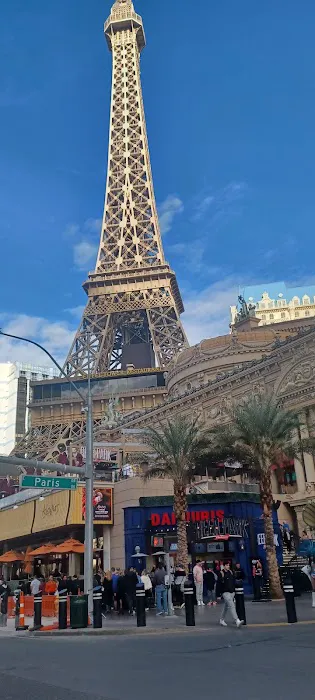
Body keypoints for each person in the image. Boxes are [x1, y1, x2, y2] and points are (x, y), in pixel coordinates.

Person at [219, 562, 244, 628]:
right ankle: (237, 620)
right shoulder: (221, 573)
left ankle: (221, 619)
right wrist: (218, 594)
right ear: (224, 566)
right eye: (227, 565)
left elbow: (233, 581)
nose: (228, 566)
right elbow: (219, 584)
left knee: (226, 607)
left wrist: (234, 591)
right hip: (225, 592)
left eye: (229, 565)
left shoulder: (231, 572)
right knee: (232, 605)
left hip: (232, 592)